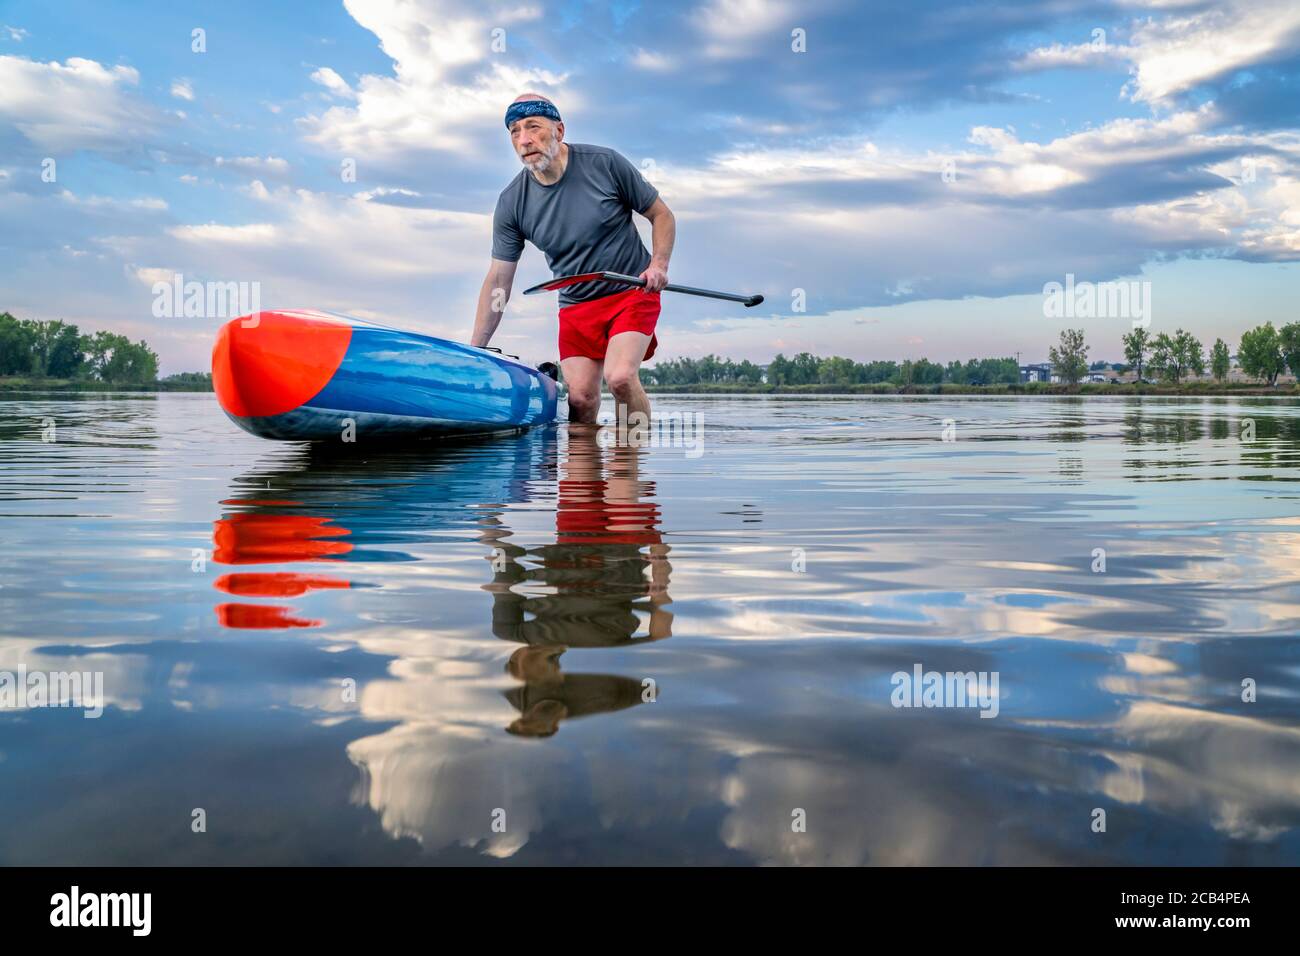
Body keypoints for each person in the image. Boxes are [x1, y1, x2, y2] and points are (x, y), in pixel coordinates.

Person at [471, 93, 676, 428]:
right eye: (515, 132)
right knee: (580, 398)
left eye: (533, 127)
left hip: (631, 291)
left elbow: (662, 215)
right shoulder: (511, 203)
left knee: (621, 378)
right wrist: (476, 350)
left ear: (559, 131)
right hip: (576, 302)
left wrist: (659, 266)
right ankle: (586, 474)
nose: (524, 140)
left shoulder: (605, 163)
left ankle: (631, 467)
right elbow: (498, 280)